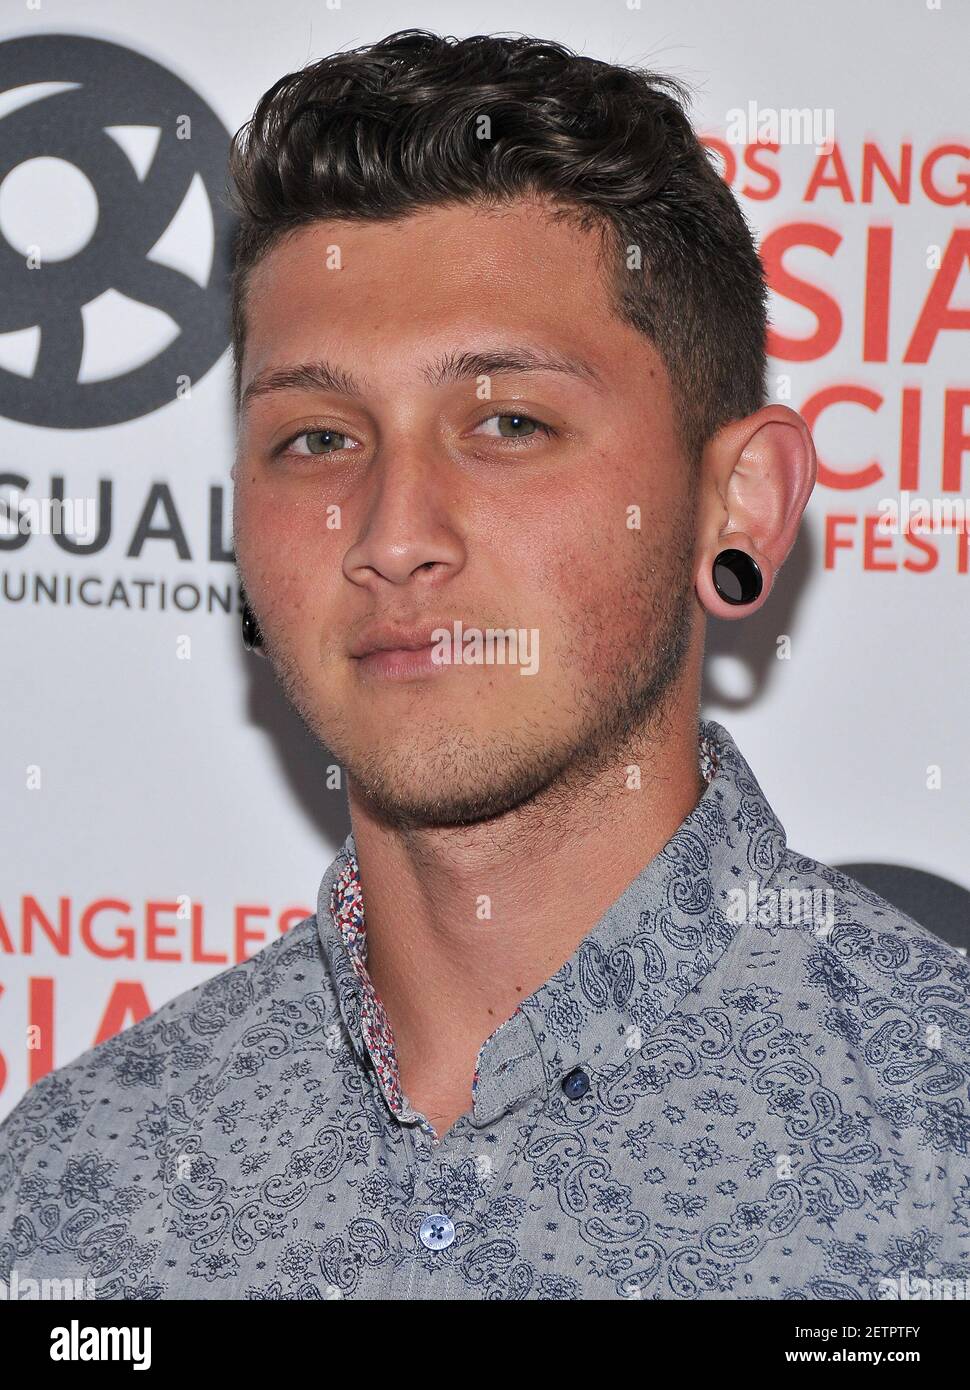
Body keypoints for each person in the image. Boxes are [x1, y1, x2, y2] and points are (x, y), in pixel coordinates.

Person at [2, 30, 967, 1302]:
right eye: (316, 437)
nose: (394, 534)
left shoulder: (939, 1142)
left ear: (736, 503)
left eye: (508, 422)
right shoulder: (70, 1195)